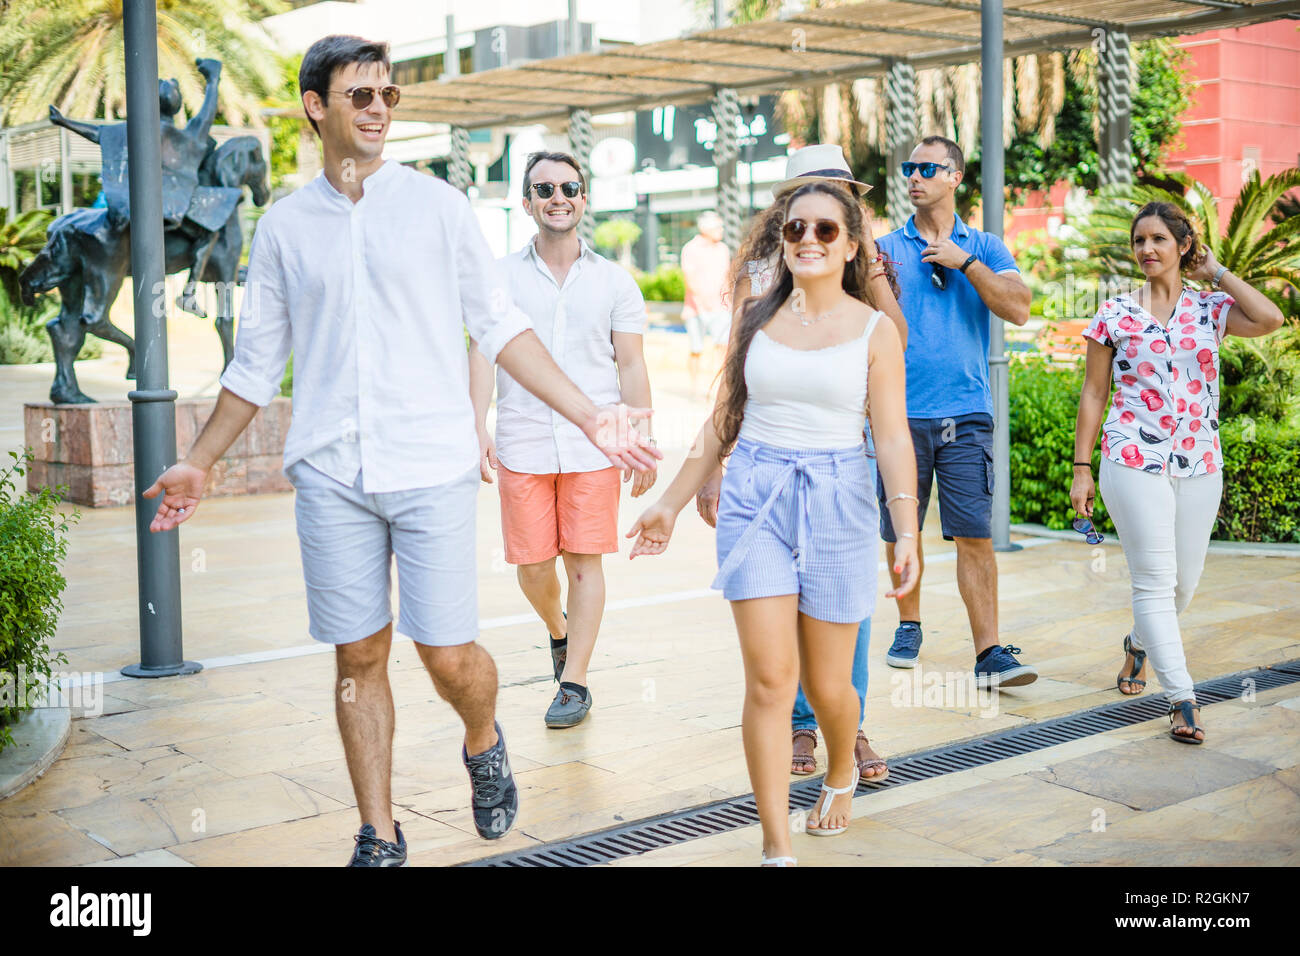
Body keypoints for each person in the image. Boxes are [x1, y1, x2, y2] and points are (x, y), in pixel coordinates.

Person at [143, 35, 659, 867]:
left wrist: (593, 414)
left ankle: (483, 740)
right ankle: (378, 832)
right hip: (332, 472)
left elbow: (500, 328)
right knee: (359, 654)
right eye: (361, 95)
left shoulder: (438, 209)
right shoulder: (282, 229)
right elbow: (253, 362)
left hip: (431, 466)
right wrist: (199, 459)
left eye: (388, 95)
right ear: (317, 107)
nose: (379, 109)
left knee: (447, 653)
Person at [627, 181, 920, 866]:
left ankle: (841, 770)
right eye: (795, 230)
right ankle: (776, 845)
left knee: (829, 688)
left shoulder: (877, 331)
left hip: (839, 499)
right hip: (757, 496)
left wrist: (905, 531)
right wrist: (668, 503)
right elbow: (724, 418)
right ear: (782, 241)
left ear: (851, 246)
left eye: (825, 231)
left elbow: (895, 437)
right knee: (768, 679)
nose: (808, 241)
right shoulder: (759, 315)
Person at [694, 145, 906, 783]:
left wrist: (864, 269)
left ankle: (850, 722)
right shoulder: (762, 267)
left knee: (845, 609)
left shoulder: (862, 257)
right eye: (808, 196)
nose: (819, 215)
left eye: (836, 192)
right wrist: (712, 467)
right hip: (766, 459)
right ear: (787, 203)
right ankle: (797, 725)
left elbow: (892, 333)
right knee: (773, 609)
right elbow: (735, 367)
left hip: (845, 453)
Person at [1071, 202, 1284, 744]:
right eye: (1139, 240)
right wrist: (1082, 467)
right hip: (1131, 457)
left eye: (1159, 239)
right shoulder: (1114, 314)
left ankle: (1138, 645)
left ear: (1183, 245)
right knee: (1154, 580)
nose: (1147, 250)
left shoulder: (1211, 309)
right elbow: (1095, 393)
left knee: (1183, 587)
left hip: (1198, 460)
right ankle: (1182, 698)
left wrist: (1216, 272)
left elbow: (1270, 318)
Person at [469, 150, 656, 729]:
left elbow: (630, 364)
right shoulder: (497, 277)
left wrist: (640, 433)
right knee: (531, 567)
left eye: (568, 188)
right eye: (544, 189)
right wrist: (475, 423)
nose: (558, 197)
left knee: (584, 564)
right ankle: (558, 628)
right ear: (526, 203)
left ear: (583, 200)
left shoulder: (615, 281)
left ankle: (573, 681)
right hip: (522, 441)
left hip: (593, 447)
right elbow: (482, 352)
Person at [874, 135, 1036, 688]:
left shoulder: (985, 244)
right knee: (902, 531)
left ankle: (989, 652)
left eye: (927, 167)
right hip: (898, 415)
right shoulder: (884, 250)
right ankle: (910, 625)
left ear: (955, 177)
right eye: (908, 168)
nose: (914, 176)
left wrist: (963, 262)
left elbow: (1017, 308)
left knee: (975, 535)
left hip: (966, 413)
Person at [680, 211, 732, 397]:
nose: (721, 230)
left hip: (720, 307)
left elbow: (727, 277)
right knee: (696, 348)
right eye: (718, 227)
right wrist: (702, 304)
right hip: (696, 308)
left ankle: (720, 388)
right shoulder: (691, 248)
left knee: (722, 348)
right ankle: (695, 389)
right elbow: (690, 278)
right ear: (705, 229)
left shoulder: (723, 249)